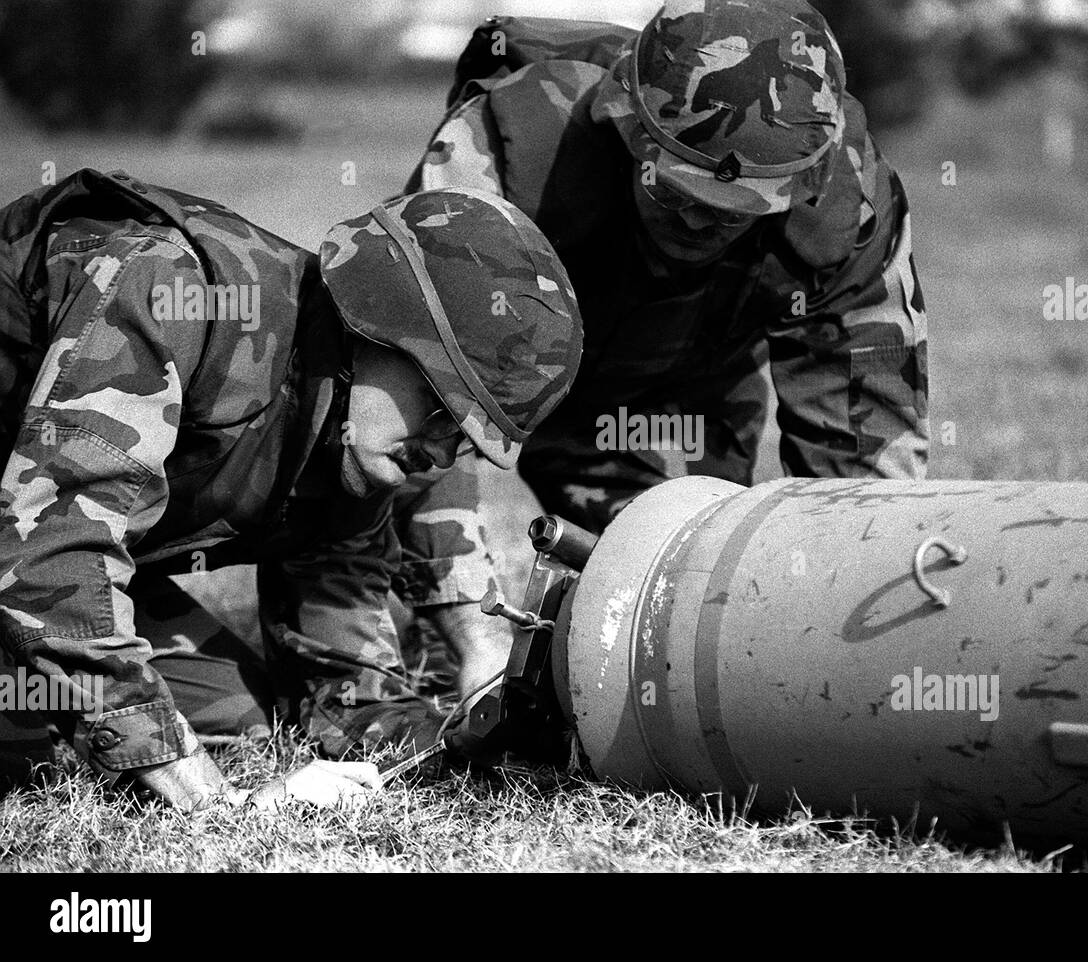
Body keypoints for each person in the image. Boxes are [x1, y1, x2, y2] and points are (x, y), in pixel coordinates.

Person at [0, 169, 582, 809]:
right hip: (26, 555)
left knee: (241, 722)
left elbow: (339, 675)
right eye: (443, 410)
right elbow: (49, 557)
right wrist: (212, 800)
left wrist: (466, 742)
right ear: (374, 325)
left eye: (467, 439)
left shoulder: (351, 429)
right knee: (59, 736)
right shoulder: (175, 289)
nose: (444, 452)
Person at [396, 0, 930, 695]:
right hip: (509, 358)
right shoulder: (499, 153)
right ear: (624, 126)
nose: (702, 223)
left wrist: (850, 629)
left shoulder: (844, 197)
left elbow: (864, 457)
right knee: (371, 609)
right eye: (680, 193)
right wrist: (475, 629)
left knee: (670, 613)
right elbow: (414, 402)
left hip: (675, 387)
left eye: (735, 211)